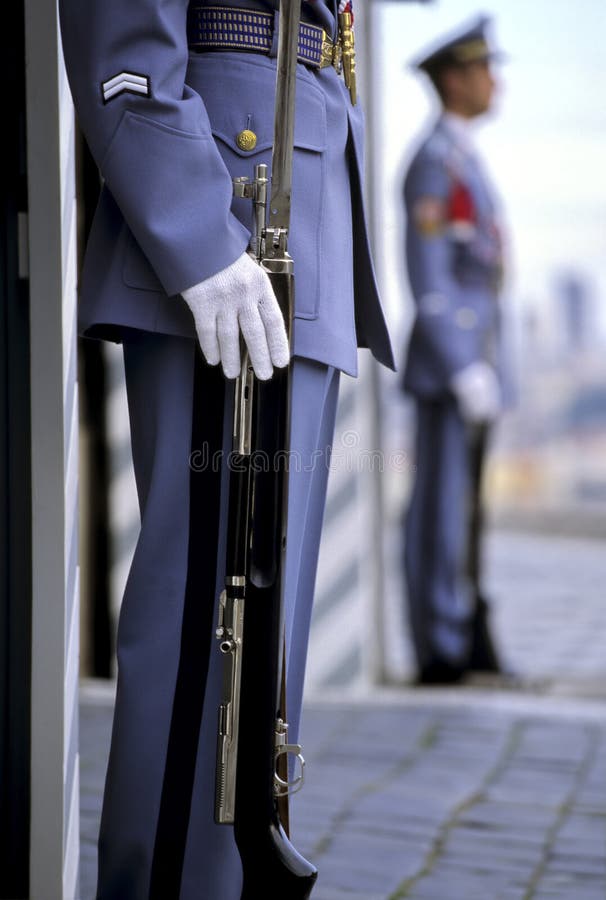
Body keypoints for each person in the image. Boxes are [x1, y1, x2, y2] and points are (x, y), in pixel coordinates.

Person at [58, 0, 394, 897]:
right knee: (203, 633)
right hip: (230, 220)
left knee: (261, 643)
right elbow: (125, 33)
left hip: (296, 211)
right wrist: (197, 235)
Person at [400, 15, 508, 685]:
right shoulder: (435, 160)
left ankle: (459, 631)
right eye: (485, 69)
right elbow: (429, 276)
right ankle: (438, 645)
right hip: (450, 365)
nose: (494, 82)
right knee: (439, 508)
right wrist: (462, 362)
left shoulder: (461, 154)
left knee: (461, 508)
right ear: (454, 78)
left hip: (474, 358)